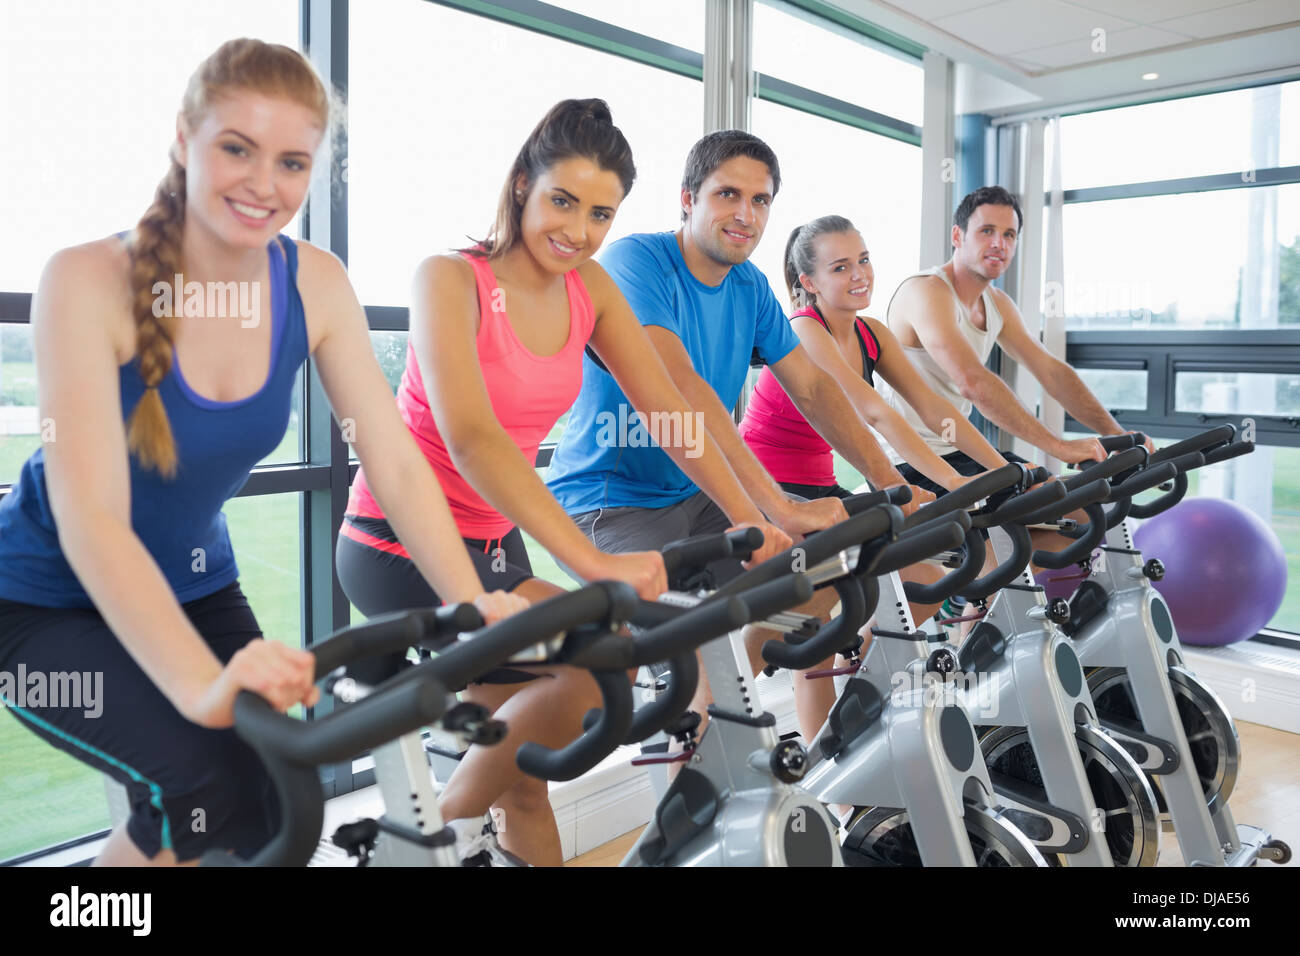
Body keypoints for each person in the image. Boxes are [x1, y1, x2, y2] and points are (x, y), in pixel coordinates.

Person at [0, 39, 525, 867]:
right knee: (195, 781)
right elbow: (91, 516)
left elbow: (388, 458)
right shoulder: (86, 279)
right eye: (236, 149)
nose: (263, 184)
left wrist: (472, 606)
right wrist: (197, 688)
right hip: (41, 599)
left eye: (291, 162)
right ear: (184, 139)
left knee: (277, 795)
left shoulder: (313, 282)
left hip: (197, 585)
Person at [336, 100, 792, 866]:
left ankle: (428, 841)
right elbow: (474, 439)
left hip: (491, 540)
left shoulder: (590, 289)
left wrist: (751, 519)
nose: (579, 231)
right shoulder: (450, 279)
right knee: (597, 667)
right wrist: (593, 563)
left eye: (601, 214)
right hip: (398, 545)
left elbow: (669, 414)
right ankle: (413, 845)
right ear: (522, 186)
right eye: (563, 201)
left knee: (521, 780)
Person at [546, 130, 933, 742]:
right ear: (687, 198)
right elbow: (682, 391)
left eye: (760, 200)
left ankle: (715, 710)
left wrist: (892, 484)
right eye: (728, 194)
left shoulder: (749, 286)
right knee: (695, 658)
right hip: (609, 501)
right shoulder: (635, 262)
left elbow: (812, 388)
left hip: (694, 494)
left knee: (824, 575)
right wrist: (773, 506)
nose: (745, 214)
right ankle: (694, 762)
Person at [741, 214, 1014, 625]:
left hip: (822, 490)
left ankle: (863, 680)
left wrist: (1002, 469)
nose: (859, 274)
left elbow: (932, 408)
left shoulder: (872, 333)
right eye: (840, 267)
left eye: (863, 260)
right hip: (770, 491)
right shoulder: (803, 330)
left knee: (922, 584)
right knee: (813, 622)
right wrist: (950, 481)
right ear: (809, 282)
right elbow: (875, 412)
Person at [884, 186, 1152, 561]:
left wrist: (1116, 435)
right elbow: (972, 382)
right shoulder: (927, 292)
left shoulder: (996, 305)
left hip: (961, 452)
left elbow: (1051, 371)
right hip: (910, 462)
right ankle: (965, 603)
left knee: (1076, 518)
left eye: (1009, 235)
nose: (999, 243)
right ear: (957, 236)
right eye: (987, 231)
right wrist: (1058, 446)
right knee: (1009, 540)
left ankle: (968, 611)